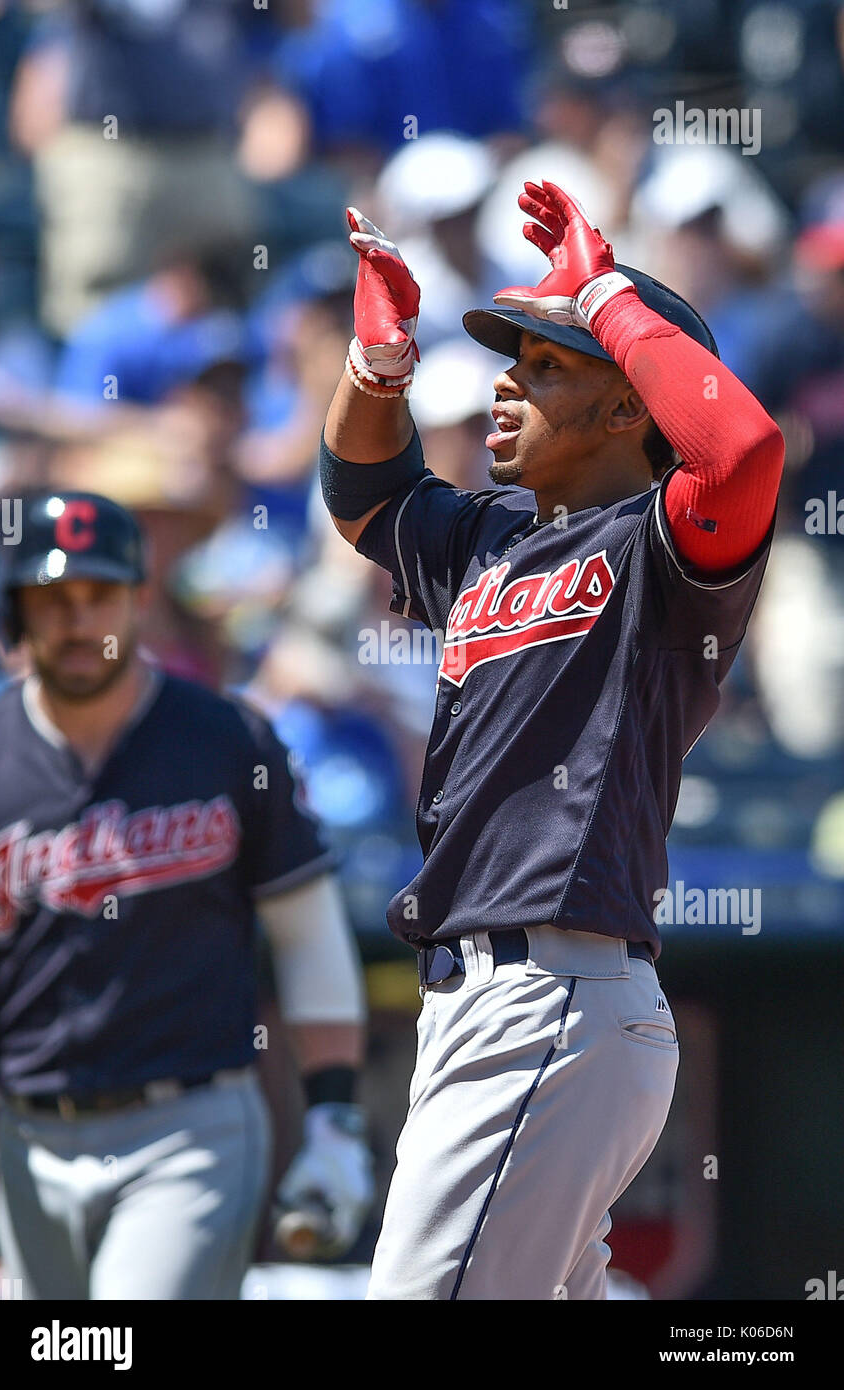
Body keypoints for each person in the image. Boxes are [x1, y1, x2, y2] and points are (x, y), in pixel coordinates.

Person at [319, 189, 784, 1300]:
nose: (504, 382)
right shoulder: (486, 538)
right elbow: (365, 494)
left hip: (553, 990)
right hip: (485, 1005)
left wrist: (607, 295)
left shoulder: (661, 544)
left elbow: (742, 449)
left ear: (628, 404)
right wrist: (376, 366)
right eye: (512, 360)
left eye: (544, 366)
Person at [0, 491, 373, 1299]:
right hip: (28, 1136)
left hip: (191, 1129)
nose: (79, 621)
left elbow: (305, 930)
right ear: (14, 613)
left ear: (140, 599)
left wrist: (332, 1112)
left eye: (99, 594)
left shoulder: (226, 738)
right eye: (53, 599)